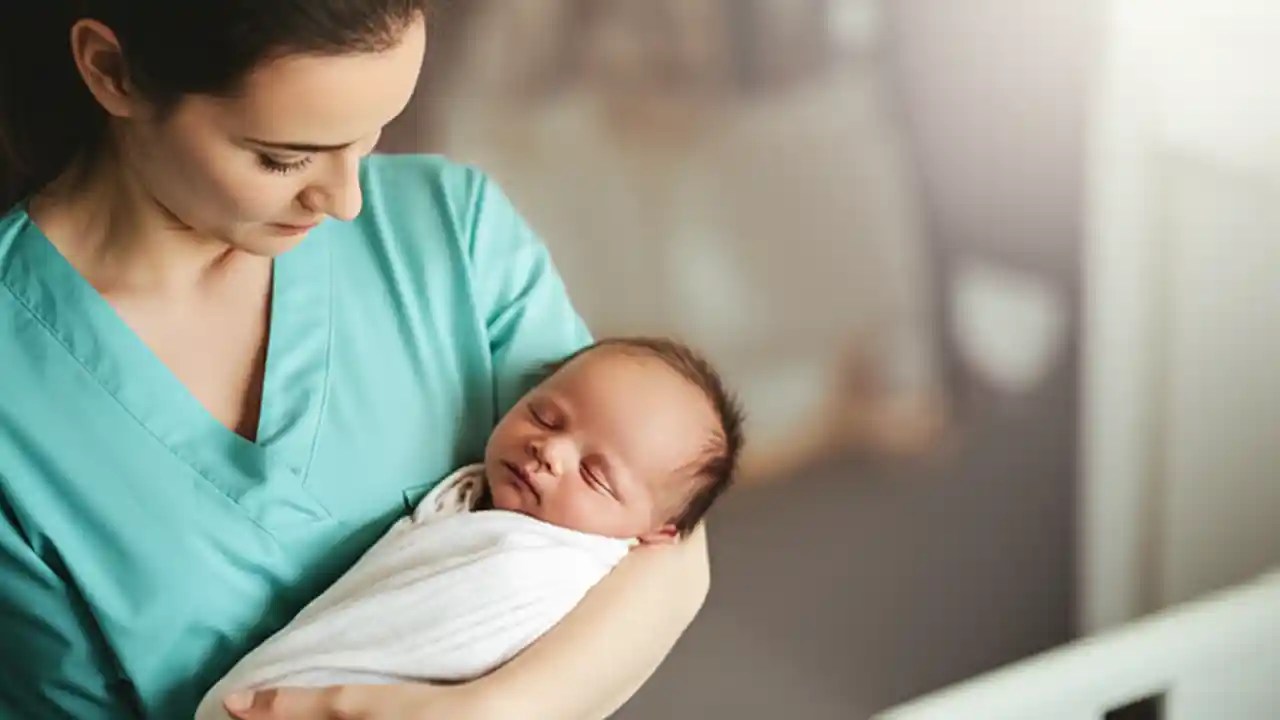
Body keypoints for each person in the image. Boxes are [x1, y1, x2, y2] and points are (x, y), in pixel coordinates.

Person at [0, 3, 711, 719]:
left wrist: (485, 710)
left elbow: (668, 538)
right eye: (286, 157)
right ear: (112, 71)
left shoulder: (448, 231)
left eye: (371, 135)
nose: (345, 201)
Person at [197, 337, 744, 719]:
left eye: (596, 476)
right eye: (545, 416)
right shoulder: (468, 498)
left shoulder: (554, 572)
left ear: (655, 533)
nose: (549, 451)